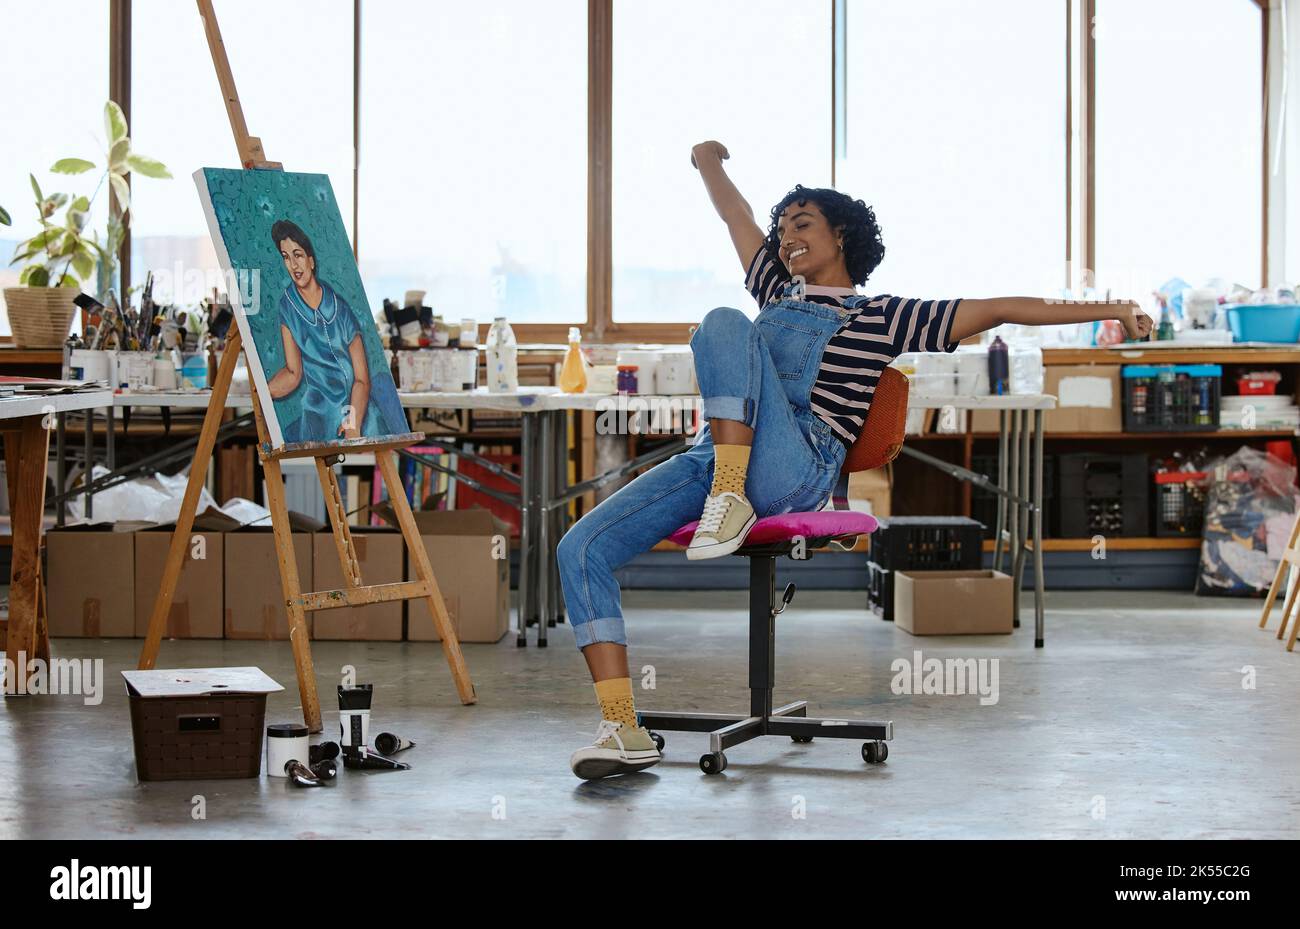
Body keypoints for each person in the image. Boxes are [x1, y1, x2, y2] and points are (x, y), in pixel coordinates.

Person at [558, 141, 1153, 780]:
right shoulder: (774, 290)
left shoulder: (883, 316)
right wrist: (709, 164)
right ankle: (624, 729)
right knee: (579, 548)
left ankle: (731, 497)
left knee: (723, 323)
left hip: (794, 468)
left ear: (842, 234)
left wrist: (1115, 307)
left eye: (802, 224)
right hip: (713, 460)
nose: (786, 238)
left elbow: (1004, 308)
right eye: (781, 228)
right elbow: (736, 219)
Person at [266, 219, 406, 443]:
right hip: (317, 413)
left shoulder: (340, 309)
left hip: (354, 411)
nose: (293, 264)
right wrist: (260, 393)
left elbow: (361, 379)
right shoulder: (287, 306)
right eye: (286, 257)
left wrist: (352, 424)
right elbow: (293, 373)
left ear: (311, 260)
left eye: (298, 255)